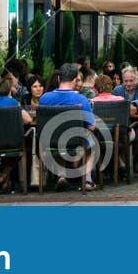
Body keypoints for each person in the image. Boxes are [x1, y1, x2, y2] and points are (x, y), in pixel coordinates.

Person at [41, 63, 101, 191]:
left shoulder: (44, 98)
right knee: (93, 141)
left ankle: (62, 174)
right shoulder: (82, 99)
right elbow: (91, 126)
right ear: (75, 80)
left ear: (58, 79)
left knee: (57, 138)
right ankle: (88, 181)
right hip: (75, 141)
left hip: (50, 140)